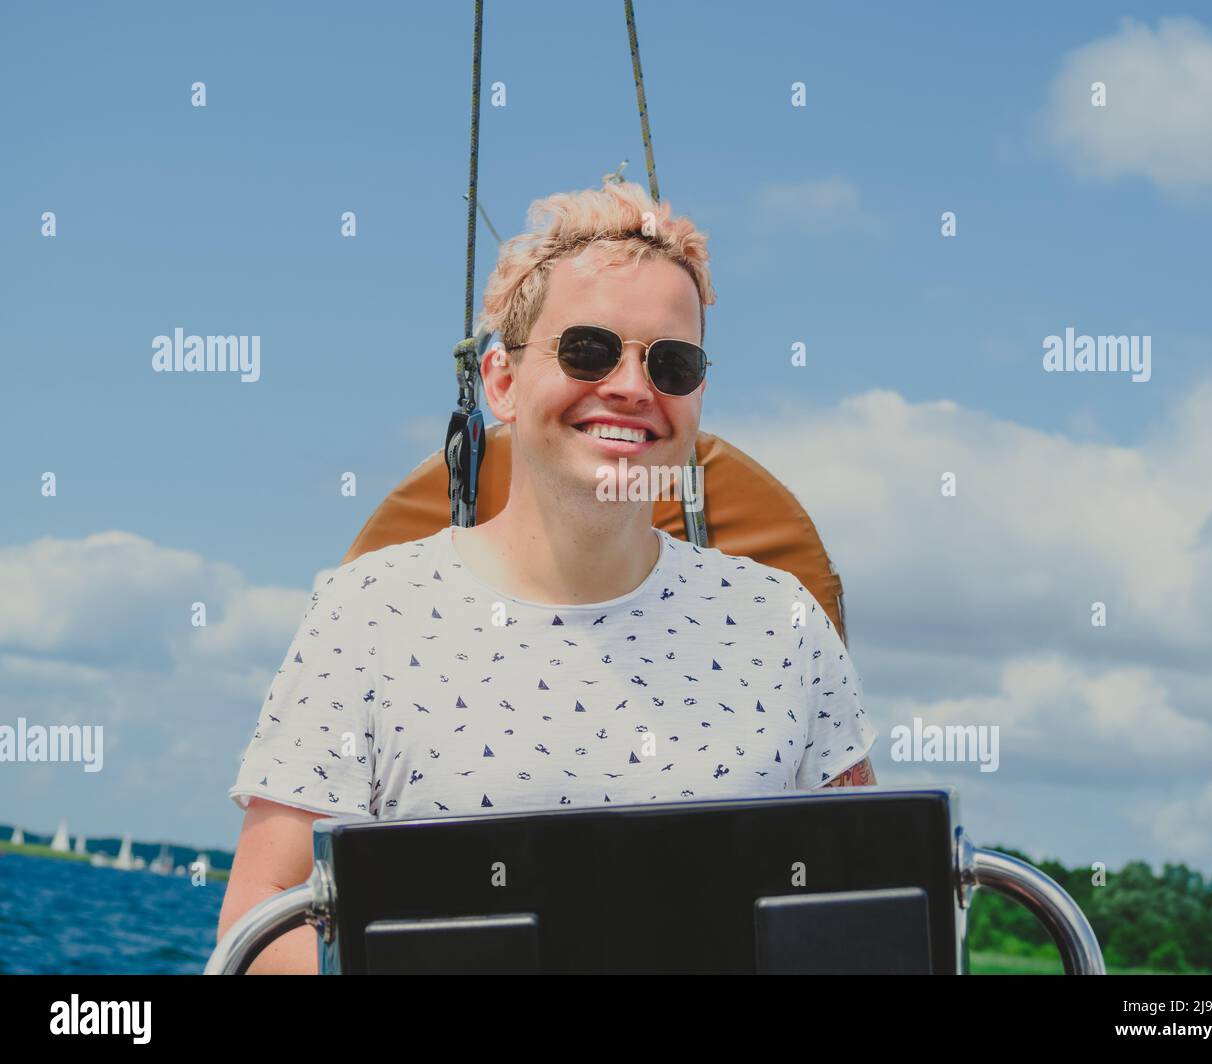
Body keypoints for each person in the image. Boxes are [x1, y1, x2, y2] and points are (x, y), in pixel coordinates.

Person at [216, 181, 877, 973]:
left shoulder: (785, 624)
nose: (632, 387)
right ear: (500, 381)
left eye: (672, 363)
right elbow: (265, 924)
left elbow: (864, 903)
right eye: (588, 350)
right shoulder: (365, 613)